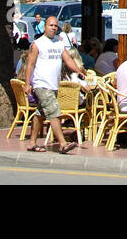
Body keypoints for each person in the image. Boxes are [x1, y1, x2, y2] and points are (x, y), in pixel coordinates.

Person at [22, 16, 86, 153]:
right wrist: (27, 84)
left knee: (41, 113)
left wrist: (78, 71)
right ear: (45, 26)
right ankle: (63, 143)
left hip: (54, 85)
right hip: (41, 84)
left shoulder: (59, 44)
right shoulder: (37, 44)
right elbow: (30, 64)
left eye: (56, 26)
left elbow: (68, 60)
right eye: (51, 25)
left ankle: (32, 143)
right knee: (54, 111)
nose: (53, 28)